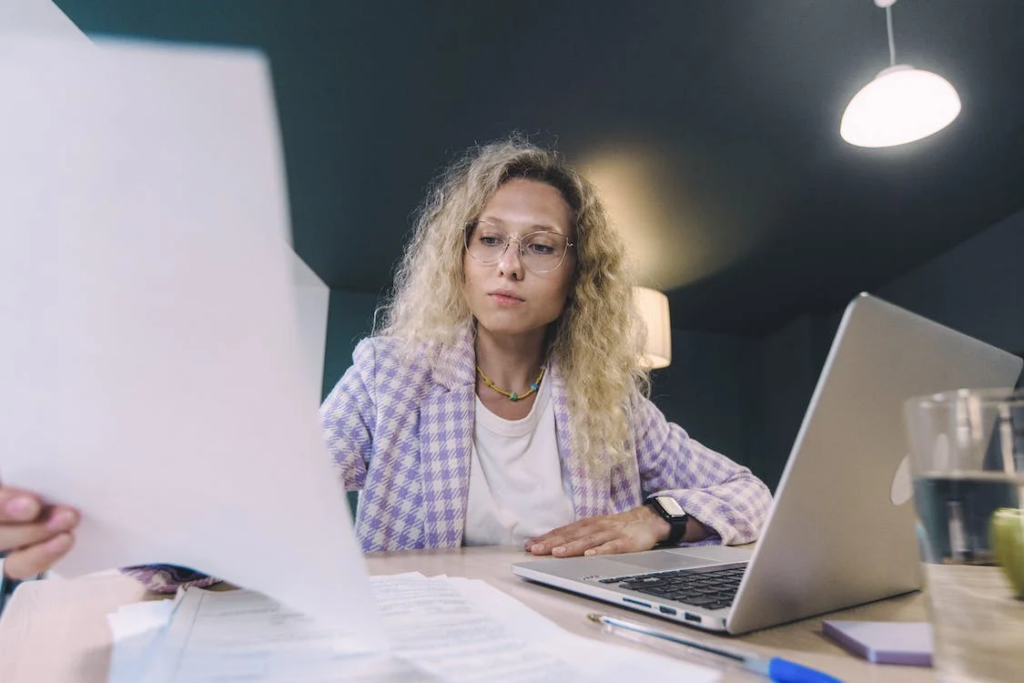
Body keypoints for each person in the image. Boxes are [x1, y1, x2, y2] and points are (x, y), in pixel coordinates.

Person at [0, 136, 771, 592]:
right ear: (461, 258)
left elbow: (752, 494)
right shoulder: (387, 374)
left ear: (575, 277)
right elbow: (274, 491)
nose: (510, 264)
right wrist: (101, 516)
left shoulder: (614, 405)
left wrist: (659, 517)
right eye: (489, 239)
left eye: (540, 246)